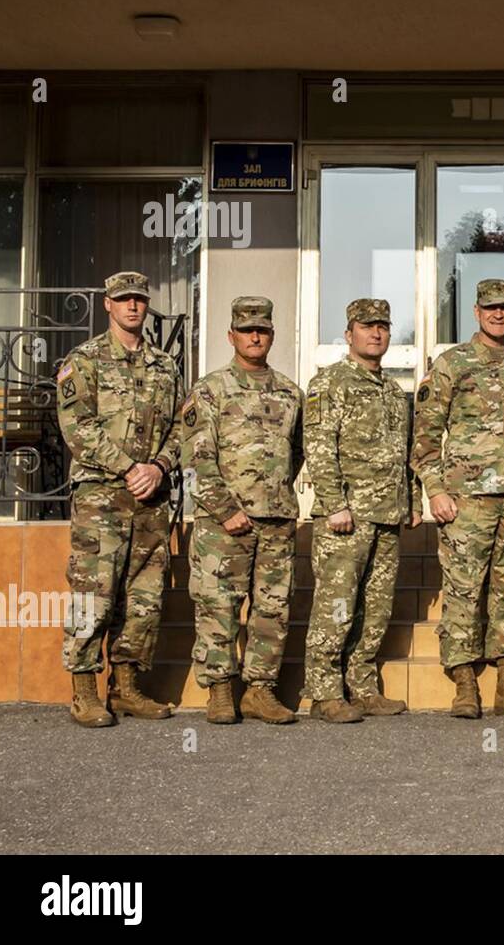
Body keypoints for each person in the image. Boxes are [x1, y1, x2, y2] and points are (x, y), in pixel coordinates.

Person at [412, 279, 504, 719]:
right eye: (491, 308)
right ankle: (464, 682)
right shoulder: (452, 364)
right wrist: (435, 490)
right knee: (464, 589)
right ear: (476, 312)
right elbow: (425, 434)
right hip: (466, 501)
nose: (499, 315)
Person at [56, 270, 183, 726]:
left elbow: (180, 430)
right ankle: (85, 692)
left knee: (144, 596)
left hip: (151, 498)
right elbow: (77, 429)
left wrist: (159, 467)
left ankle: (127, 687)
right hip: (102, 496)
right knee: (95, 592)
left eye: (139, 299)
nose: (132, 306)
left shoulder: (165, 366)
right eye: (122, 298)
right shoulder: (83, 360)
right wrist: (130, 468)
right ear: (107, 304)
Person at [181, 296, 304, 725]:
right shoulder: (210, 389)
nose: (255, 336)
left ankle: (260, 690)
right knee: (218, 605)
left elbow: (297, 453)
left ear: (272, 335)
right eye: (247, 329)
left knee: (273, 608)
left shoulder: (290, 392)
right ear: (230, 335)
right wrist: (224, 508)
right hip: (224, 523)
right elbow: (196, 458)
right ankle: (219, 690)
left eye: (263, 330)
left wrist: (277, 499)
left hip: (277, 520)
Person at [302, 298, 418, 723]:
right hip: (346, 519)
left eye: (383, 326)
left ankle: (363, 686)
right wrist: (334, 504)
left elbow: (404, 455)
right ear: (349, 333)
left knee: (376, 607)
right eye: (367, 326)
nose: (377, 333)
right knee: (336, 606)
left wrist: (412, 502)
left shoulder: (392, 391)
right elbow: (318, 447)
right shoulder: (329, 383)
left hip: (387, 516)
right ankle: (325, 692)